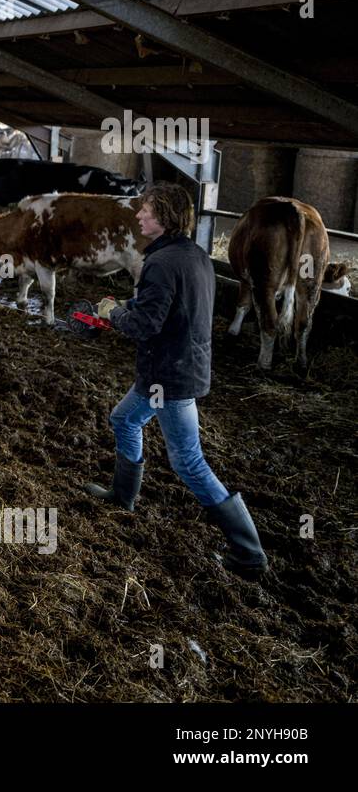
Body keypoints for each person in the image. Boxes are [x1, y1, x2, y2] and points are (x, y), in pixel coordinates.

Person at [85, 182, 268, 578]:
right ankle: (122, 495)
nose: (138, 216)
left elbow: (147, 325)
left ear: (164, 216)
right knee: (124, 419)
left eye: (145, 210)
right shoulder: (194, 256)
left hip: (168, 376)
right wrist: (122, 306)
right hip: (180, 367)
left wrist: (115, 316)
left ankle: (249, 553)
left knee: (189, 462)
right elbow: (166, 307)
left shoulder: (161, 263)